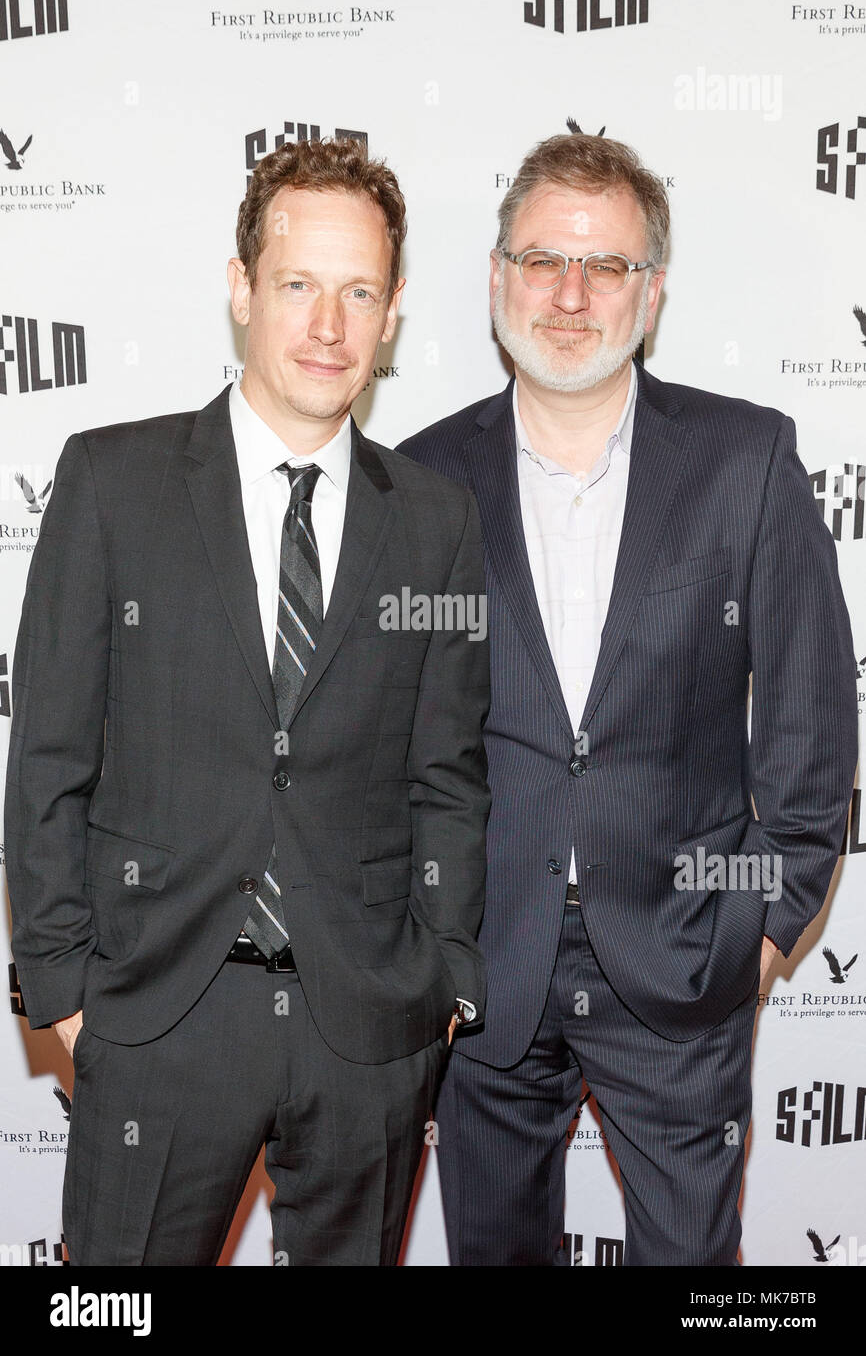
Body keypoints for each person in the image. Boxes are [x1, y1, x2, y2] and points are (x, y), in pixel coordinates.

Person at [5, 137, 490, 1266]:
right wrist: (70, 992)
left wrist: (446, 976)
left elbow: (447, 775)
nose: (329, 323)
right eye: (298, 285)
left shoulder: (434, 520)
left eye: (358, 290)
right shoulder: (110, 482)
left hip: (366, 1030)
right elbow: (49, 761)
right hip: (159, 1016)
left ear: (394, 309)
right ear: (239, 288)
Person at [398, 131, 858, 1266]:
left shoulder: (744, 461)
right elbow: (383, 746)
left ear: (649, 295)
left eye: (605, 267)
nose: (569, 294)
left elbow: (807, 728)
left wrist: (756, 927)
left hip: (681, 958)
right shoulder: (414, 480)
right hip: (481, 976)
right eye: (543, 258)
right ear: (497, 277)